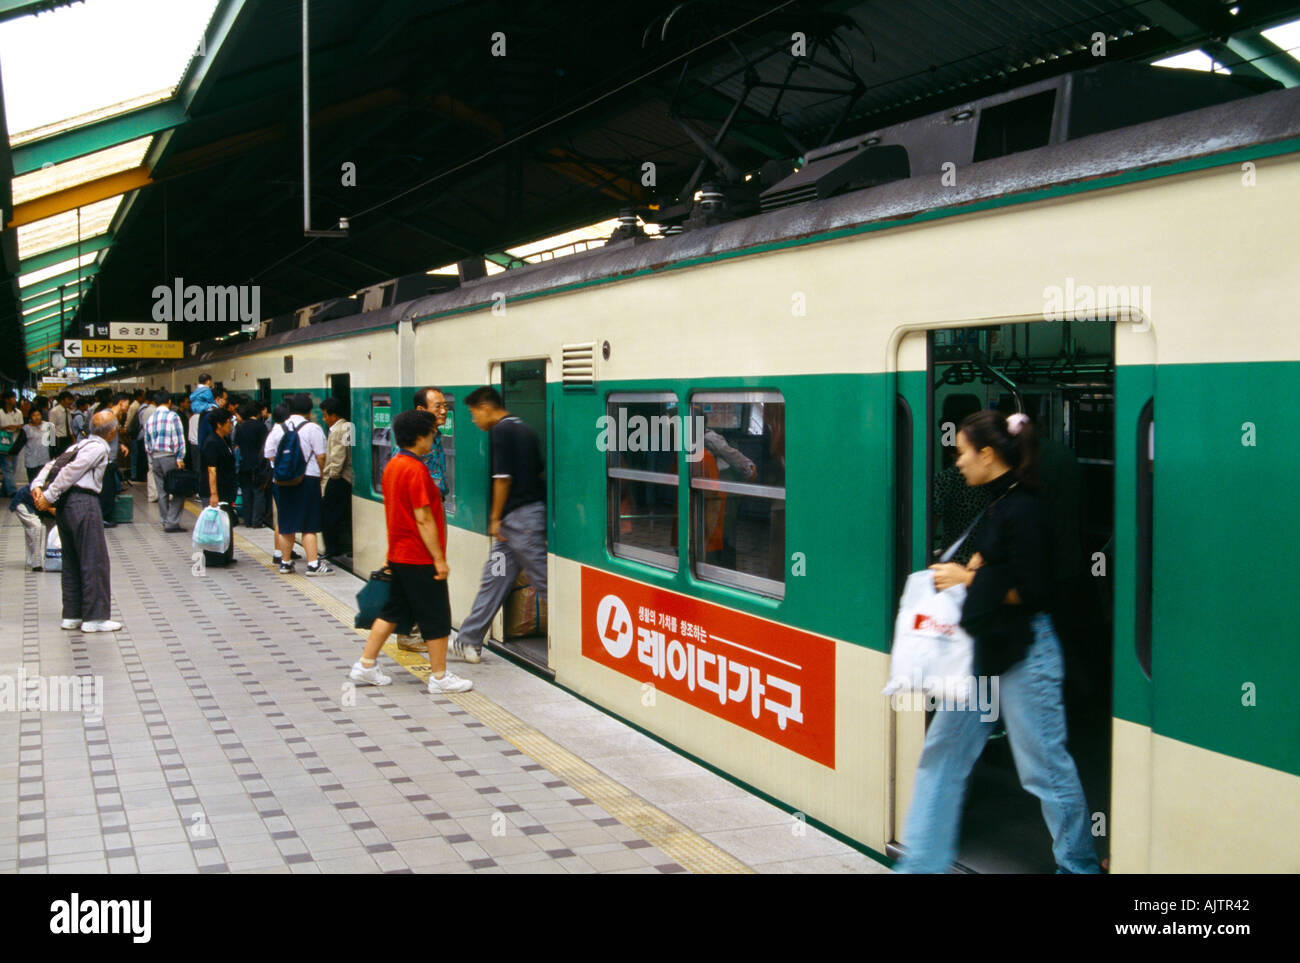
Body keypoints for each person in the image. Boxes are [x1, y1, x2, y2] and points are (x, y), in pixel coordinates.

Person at [896, 410, 1099, 874]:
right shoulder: (1000, 502)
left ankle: (1078, 867)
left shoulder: (1024, 508)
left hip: (1025, 652)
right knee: (941, 757)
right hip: (985, 651)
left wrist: (967, 577)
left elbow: (1033, 591)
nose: (958, 460)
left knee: (1044, 770)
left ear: (987, 454)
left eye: (963, 452)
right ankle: (921, 864)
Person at [349, 409, 471, 694]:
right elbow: (423, 517)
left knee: (392, 611)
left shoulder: (393, 465)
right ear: (420, 436)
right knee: (436, 616)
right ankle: (440, 677)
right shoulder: (415, 469)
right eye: (432, 432)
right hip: (419, 556)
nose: (435, 436)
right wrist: (439, 559)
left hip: (400, 554)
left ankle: (365, 665)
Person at [452, 387, 547, 664]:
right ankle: (468, 641)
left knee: (544, 581)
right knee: (494, 580)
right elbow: (538, 472)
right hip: (517, 526)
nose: (473, 420)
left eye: (473, 413)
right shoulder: (524, 429)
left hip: (518, 523)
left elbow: (503, 479)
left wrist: (494, 518)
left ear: (485, 407)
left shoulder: (502, 431)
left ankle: (579, 638)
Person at [30, 410, 122, 633]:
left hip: (65, 508)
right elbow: (71, 471)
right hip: (83, 503)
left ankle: (72, 615)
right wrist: (48, 497)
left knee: (71, 560)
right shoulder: (99, 447)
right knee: (94, 560)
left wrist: (37, 486)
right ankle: (95, 618)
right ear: (112, 432)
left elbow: (53, 464)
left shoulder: (78, 445)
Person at [396, 387, 450, 651]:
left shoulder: (435, 436)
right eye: (437, 406)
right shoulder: (416, 444)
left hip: (432, 506)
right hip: (423, 511)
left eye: (445, 406)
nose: (443, 411)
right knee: (424, 572)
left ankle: (412, 631)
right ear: (421, 411)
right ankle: (412, 633)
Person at [264, 393, 332, 575]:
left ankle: (285, 563)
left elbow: (269, 453)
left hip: (283, 481)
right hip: (308, 479)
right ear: (309, 411)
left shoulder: (279, 428)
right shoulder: (313, 428)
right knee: (309, 524)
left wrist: (285, 467)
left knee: (286, 524)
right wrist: (321, 473)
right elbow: (321, 455)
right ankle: (313, 564)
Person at [142, 390, 188, 532]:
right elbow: (179, 437)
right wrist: (180, 457)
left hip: (155, 458)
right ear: (169, 402)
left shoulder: (151, 418)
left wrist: (150, 459)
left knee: (162, 491)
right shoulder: (172, 416)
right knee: (179, 489)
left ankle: (164, 520)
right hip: (169, 457)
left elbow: (147, 441)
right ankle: (172, 522)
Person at [200, 408, 239, 566]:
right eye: (229, 422)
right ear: (219, 424)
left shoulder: (224, 439)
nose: (231, 425)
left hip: (226, 489)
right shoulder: (212, 442)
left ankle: (226, 554)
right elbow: (211, 469)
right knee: (215, 524)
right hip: (216, 490)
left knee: (225, 522)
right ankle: (214, 557)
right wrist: (214, 494)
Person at [320, 397, 353, 560]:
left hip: (338, 479)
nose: (324, 419)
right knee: (342, 514)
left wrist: (330, 477)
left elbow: (337, 457)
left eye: (325, 416)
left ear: (333, 415)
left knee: (329, 516)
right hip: (348, 478)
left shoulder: (338, 430)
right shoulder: (349, 426)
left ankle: (332, 549)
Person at [235, 400, 269, 530]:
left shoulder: (240, 427)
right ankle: (257, 521)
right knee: (258, 492)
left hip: (244, 464)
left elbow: (237, 446)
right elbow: (264, 446)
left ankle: (247, 520)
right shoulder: (261, 426)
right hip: (257, 465)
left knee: (246, 492)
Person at [9, 482, 55, 571]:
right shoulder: (49, 486)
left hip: (39, 505)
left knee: (50, 528)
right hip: (24, 503)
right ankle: (36, 563)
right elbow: (45, 505)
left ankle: (48, 559)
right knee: (36, 527)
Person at [0, 389, 23, 496]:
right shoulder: (0, 412)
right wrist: (6, 427)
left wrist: (17, 427)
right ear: (6, 400)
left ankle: (4, 490)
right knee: (7, 467)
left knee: (12, 468)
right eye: (12, 398)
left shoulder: (18, 413)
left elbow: (21, 426)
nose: (15, 400)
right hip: (3, 444)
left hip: (15, 444)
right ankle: (12, 491)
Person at [22, 409, 52, 478]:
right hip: (31, 460)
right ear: (30, 417)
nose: (36, 417)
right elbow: (19, 443)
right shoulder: (26, 428)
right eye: (34, 415)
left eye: (38, 415)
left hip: (45, 459)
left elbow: (53, 442)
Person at [48, 391, 74, 456]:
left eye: (71, 400)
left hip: (68, 438)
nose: (71, 402)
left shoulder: (68, 411)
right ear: (62, 400)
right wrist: (52, 445)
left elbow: (69, 426)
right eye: (69, 399)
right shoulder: (54, 411)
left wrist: (73, 438)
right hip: (60, 440)